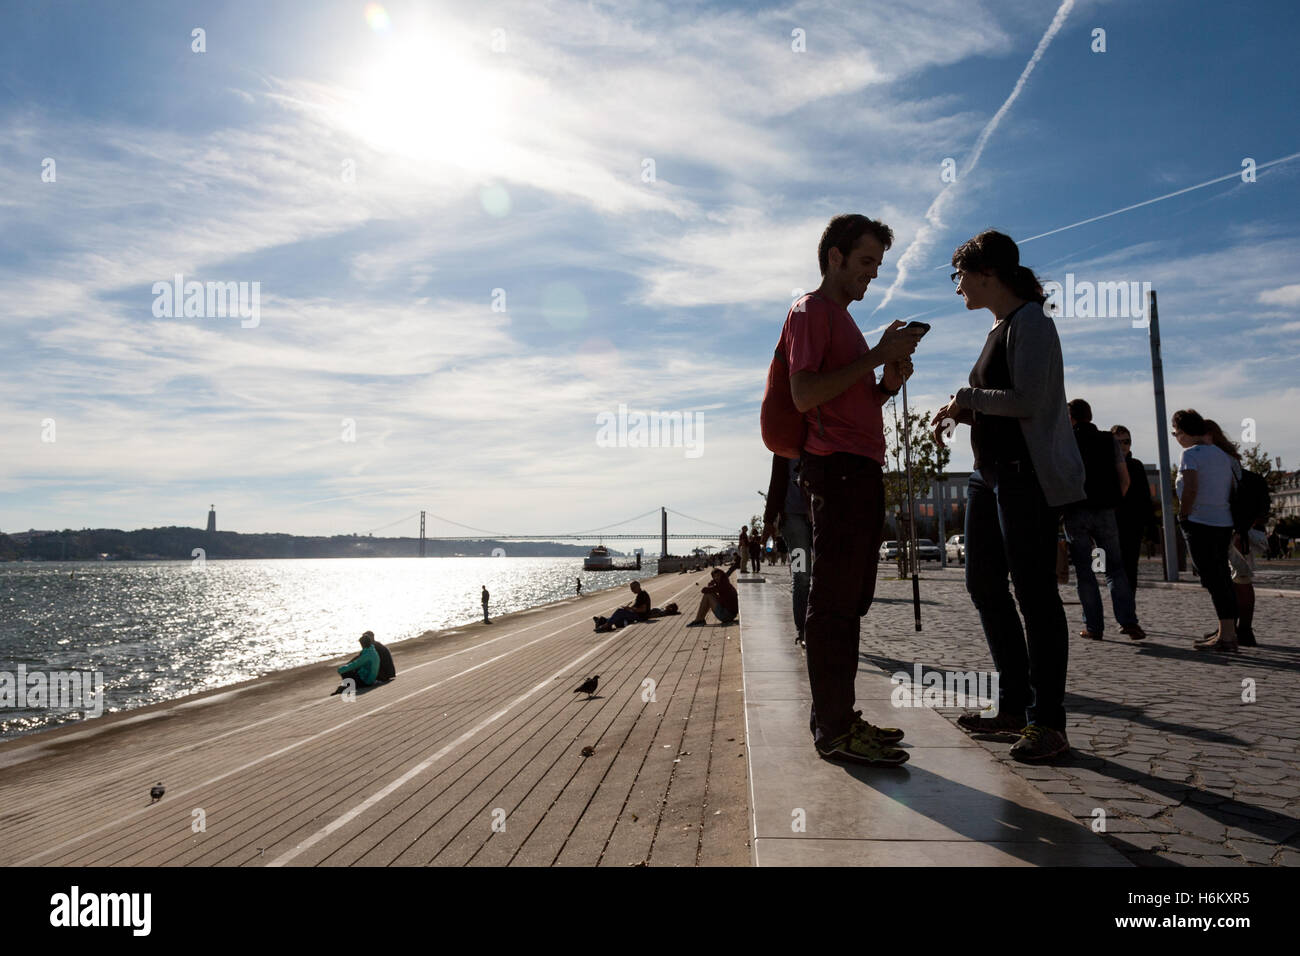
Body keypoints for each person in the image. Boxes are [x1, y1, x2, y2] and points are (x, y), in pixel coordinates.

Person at [931, 230, 1085, 763]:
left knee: (1036, 596)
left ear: (987, 273)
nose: (958, 290)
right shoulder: (1000, 326)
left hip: (1025, 478)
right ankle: (1014, 707)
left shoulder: (1033, 323)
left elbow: (1029, 400)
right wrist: (959, 411)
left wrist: (967, 396)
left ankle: (1049, 722)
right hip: (988, 476)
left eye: (960, 278)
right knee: (983, 584)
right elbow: (1004, 404)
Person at [780, 213, 923, 767]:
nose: (873, 276)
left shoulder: (843, 322)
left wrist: (885, 384)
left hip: (858, 468)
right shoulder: (812, 311)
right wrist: (874, 358)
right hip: (836, 470)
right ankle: (834, 729)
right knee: (834, 601)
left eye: (878, 266)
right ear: (835, 258)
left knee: (851, 599)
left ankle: (841, 718)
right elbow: (804, 394)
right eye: (866, 262)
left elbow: (848, 401)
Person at [1063, 400, 1144, 641]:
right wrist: (1114, 502)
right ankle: (1129, 621)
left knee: (1085, 573)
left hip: (1076, 509)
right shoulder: (1108, 440)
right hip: (1106, 510)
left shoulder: (1065, 441)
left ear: (1070, 418)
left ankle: (1094, 627)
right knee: (1115, 569)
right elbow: (1125, 478)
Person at [1172, 409, 1242, 652]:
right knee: (1222, 577)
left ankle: (1227, 637)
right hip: (1223, 522)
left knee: (1213, 579)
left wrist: (1183, 514)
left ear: (1185, 432)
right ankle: (1227, 632)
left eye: (1176, 432)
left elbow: (1190, 487)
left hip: (1200, 522)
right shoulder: (1221, 455)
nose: (1176, 437)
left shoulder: (1190, 454)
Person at [764, 453, 811, 645]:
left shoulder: (819, 436)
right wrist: (769, 521)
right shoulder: (783, 446)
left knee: (826, 574)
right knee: (801, 574)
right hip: (792, 519)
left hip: (820, 515)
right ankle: (803, 630)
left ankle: (823, 627)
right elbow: (776, 482)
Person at [1111, 425, 1155, 593]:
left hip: (1132, 524)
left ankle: (1129, 607)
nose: (1123, 445)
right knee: (1108, 566)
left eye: (1126, 441)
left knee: (1130, 567)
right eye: (1118, 442)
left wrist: (1150, 527)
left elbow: (1145, 497)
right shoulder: (1105, 464)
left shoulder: (1136, 465)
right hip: (1110, 523)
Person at [687, 559, 741, 626]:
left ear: (722, 575)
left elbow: (704, 590)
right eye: (715, 576)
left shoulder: (723, 585)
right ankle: (700, 619)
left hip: (727, 616)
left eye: (718, 575)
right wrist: (713, 584)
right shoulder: (725, 583)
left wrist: (712, 583)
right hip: (730, 614)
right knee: (710, 595)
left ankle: (699, 620)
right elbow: (711, 589)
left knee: (708, 595)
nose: (716, 578)